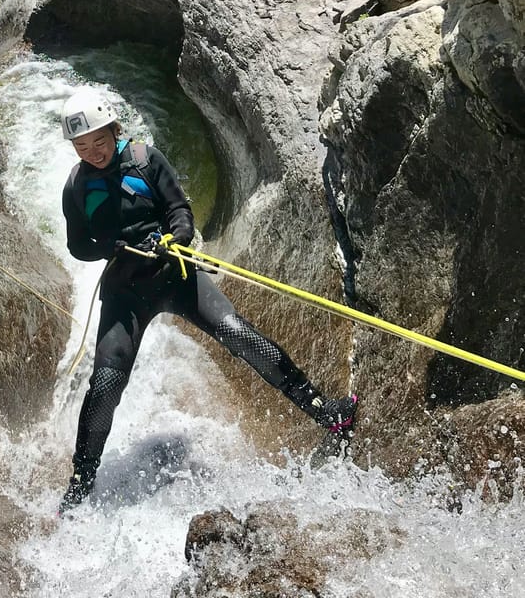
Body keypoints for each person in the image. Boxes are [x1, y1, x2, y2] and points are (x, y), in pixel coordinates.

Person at [57, 88, 358, 514]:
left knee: (238, 334)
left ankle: (327, 412)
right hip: (125, 292)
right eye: (82, 146)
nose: (92, 153)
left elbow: (179, 211)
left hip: (174, 275)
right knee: (105, 383)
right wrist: (116, 243)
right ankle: (79, 485)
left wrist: (172, 239)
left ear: (112, 129)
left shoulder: (145, 159)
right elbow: (78, 247)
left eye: (98, 142)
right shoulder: (76, 185)